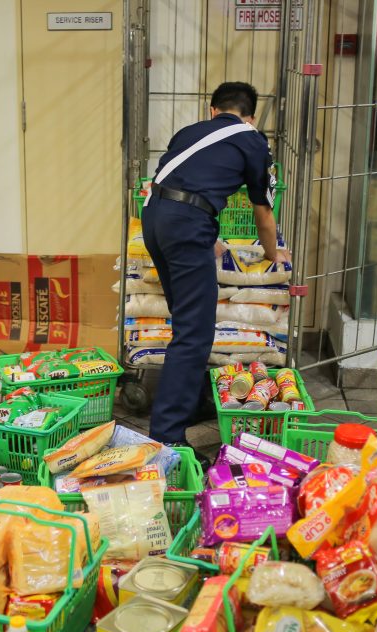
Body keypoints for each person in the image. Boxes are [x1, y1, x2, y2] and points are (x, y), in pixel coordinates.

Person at [141, 81, 278, 447]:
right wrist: (273, 254)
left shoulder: (189, 132)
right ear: (249, 116)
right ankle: (167, 437)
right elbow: (262, 212)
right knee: (195, 331)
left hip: (154, 217)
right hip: (187, 225)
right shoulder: (253, 140)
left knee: (186, 320)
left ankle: (193, 400)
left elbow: (180, 184)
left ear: (212, 110)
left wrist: (206, 234)